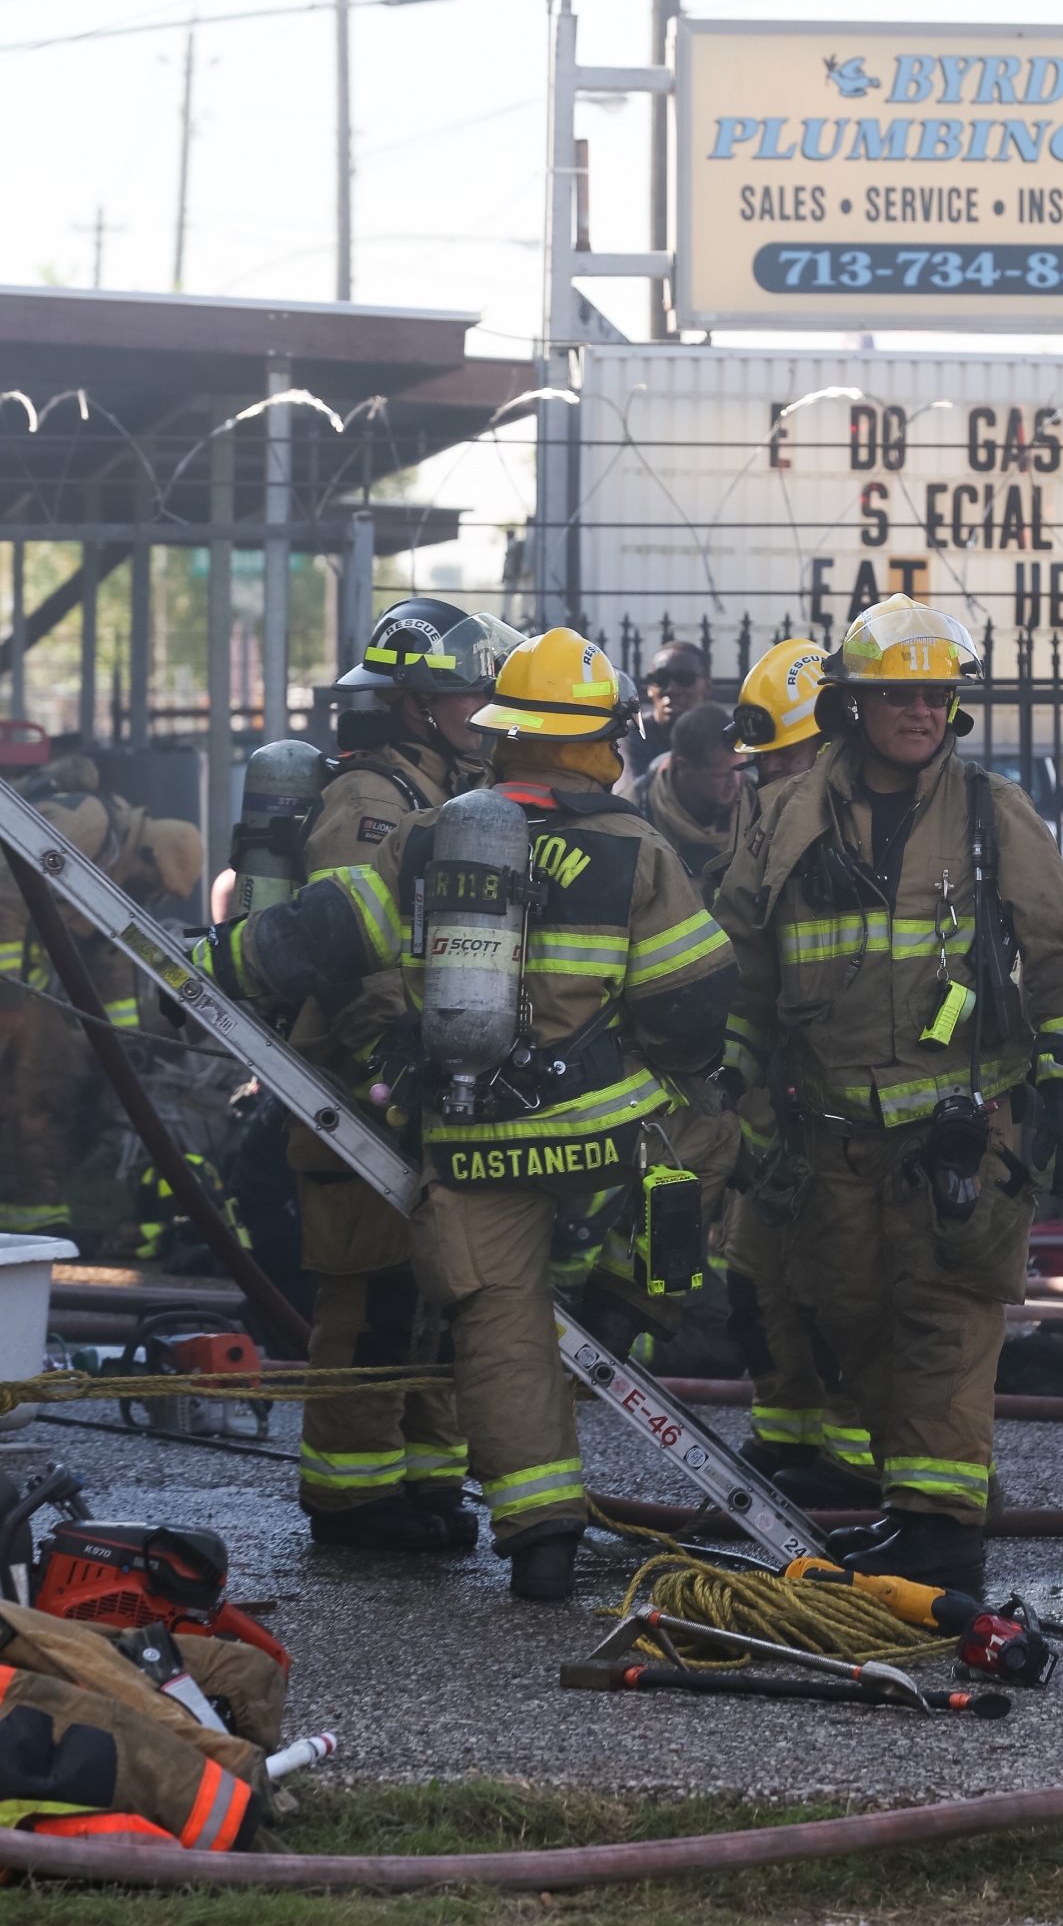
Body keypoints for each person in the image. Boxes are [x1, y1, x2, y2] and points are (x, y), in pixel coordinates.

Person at [196, 629, 738, 1603]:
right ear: (604, 740)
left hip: (473, 1138)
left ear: (505, 731)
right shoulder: (637, 848)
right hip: (600, 1140)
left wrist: (207, 970)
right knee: (705, 1146)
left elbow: (324, 933)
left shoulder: (439, 830)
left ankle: (541, 1537)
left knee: (499, 1325)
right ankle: (633, 1298)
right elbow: (694, 1008)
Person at [714, 595, 1063, 1593]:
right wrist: (732, 1090)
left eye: (936, 694)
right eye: (899, 694)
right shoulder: (785, 816)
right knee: (852, 1315)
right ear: (853, 705)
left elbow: (1060, 948)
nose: (922, 711)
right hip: (832, 1129)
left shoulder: (989, 811)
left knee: (949, 1315)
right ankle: (924, 1490)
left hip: (957, 1132)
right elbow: (745, 973)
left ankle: (940, 1530)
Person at [284, 598, 522, 1554]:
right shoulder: (370, 800)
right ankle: (351, 1499)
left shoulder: (448, 791)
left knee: (430, 1296)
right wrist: (393, 1049)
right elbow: (351, 949)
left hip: (420, 1087)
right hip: (359, 1094)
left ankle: (422, 1482)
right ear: (416, 702)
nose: (485, 706)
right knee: (369, 1300)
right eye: (470, 691)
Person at [715, 639, 877, 1506]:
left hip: (846, 1103)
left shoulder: (874, 830)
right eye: (760, 760)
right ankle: (789, 1434)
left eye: (778, 757)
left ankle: (853, 1455)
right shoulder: (768, 814)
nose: (762, 774)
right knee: (757, 1280)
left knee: (841, 1287)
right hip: (770, 1098)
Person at [0, 767, 203, 1238]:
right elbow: (7, 893)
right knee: (34, 1074)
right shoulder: (87, 828)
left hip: (18, 985)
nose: (152, 896)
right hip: (9, 980)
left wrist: (118, 1044)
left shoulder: (114, 872)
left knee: (40, 1076)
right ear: (149, 855)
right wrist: (9, 993)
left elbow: (111, 968)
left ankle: (33, 1210)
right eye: (156, 884)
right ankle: (32, 1208)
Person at [625, 702, 757, 890]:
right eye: (720, 775)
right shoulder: (636, 814)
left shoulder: (757, 800)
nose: (735, 783)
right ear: (683, 766)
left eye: (739, 770)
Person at [618, 639, 711, 785]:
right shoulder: (632, 732)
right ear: (649, 688)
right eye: (661, 678)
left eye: (685, 678)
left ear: (707, 686)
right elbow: (631, 795)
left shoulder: (722, 734)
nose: (672, 689)